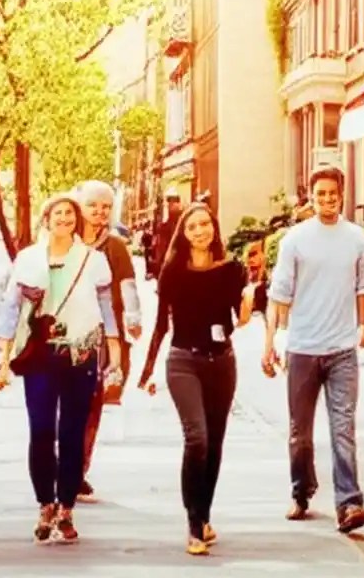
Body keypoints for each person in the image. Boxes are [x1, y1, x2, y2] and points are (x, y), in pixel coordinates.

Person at [0, 194, 123, 543]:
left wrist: (114, 350)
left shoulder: (93, 261)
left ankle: (66, 507)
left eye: (69, 214)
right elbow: (10, 307)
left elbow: (107, 307)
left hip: (80, 353)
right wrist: (0, 356)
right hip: (40, 355)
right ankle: (44, 503)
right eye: (57, 213)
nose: (64, 218)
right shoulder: (28, 259)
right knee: (41, 430)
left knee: (73, 432)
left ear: (77, 222)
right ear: (45, 220)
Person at [138, 202, 253, 555]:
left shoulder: (232, 269)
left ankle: (204, 517)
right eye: (192, 227)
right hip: (183, 361)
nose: (200, 231)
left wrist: (248, 298)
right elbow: (161, 324)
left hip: (221, 361)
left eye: (205, 224)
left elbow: (237, 321)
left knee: (215, 444)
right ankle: (193, 525)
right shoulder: (172, 271)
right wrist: (148, 370)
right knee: (197, 438)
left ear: (214, 228)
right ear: (183, 234)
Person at [264, 165, 364, 533]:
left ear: (342, 193)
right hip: (303, 348)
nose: (327, 199)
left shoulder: (356, 238)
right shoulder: (295, 240)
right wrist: (270, 345)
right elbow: (279, 296)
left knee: (343, 428)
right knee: (300, 432)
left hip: (342, 348)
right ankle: (301, 490)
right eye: (320, 193)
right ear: (310, 196)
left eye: (332, 193)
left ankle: (350, 503)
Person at [74, 180, 143, 503]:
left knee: (92, 404)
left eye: (105, 206)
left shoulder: (114, 245)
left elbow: (127, 285)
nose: (100, 212)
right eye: (93, 205)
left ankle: (78, 471)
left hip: (106, 334)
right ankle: (66, 466)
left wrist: (133, 319)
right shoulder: (66, 239)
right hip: (68, 333)